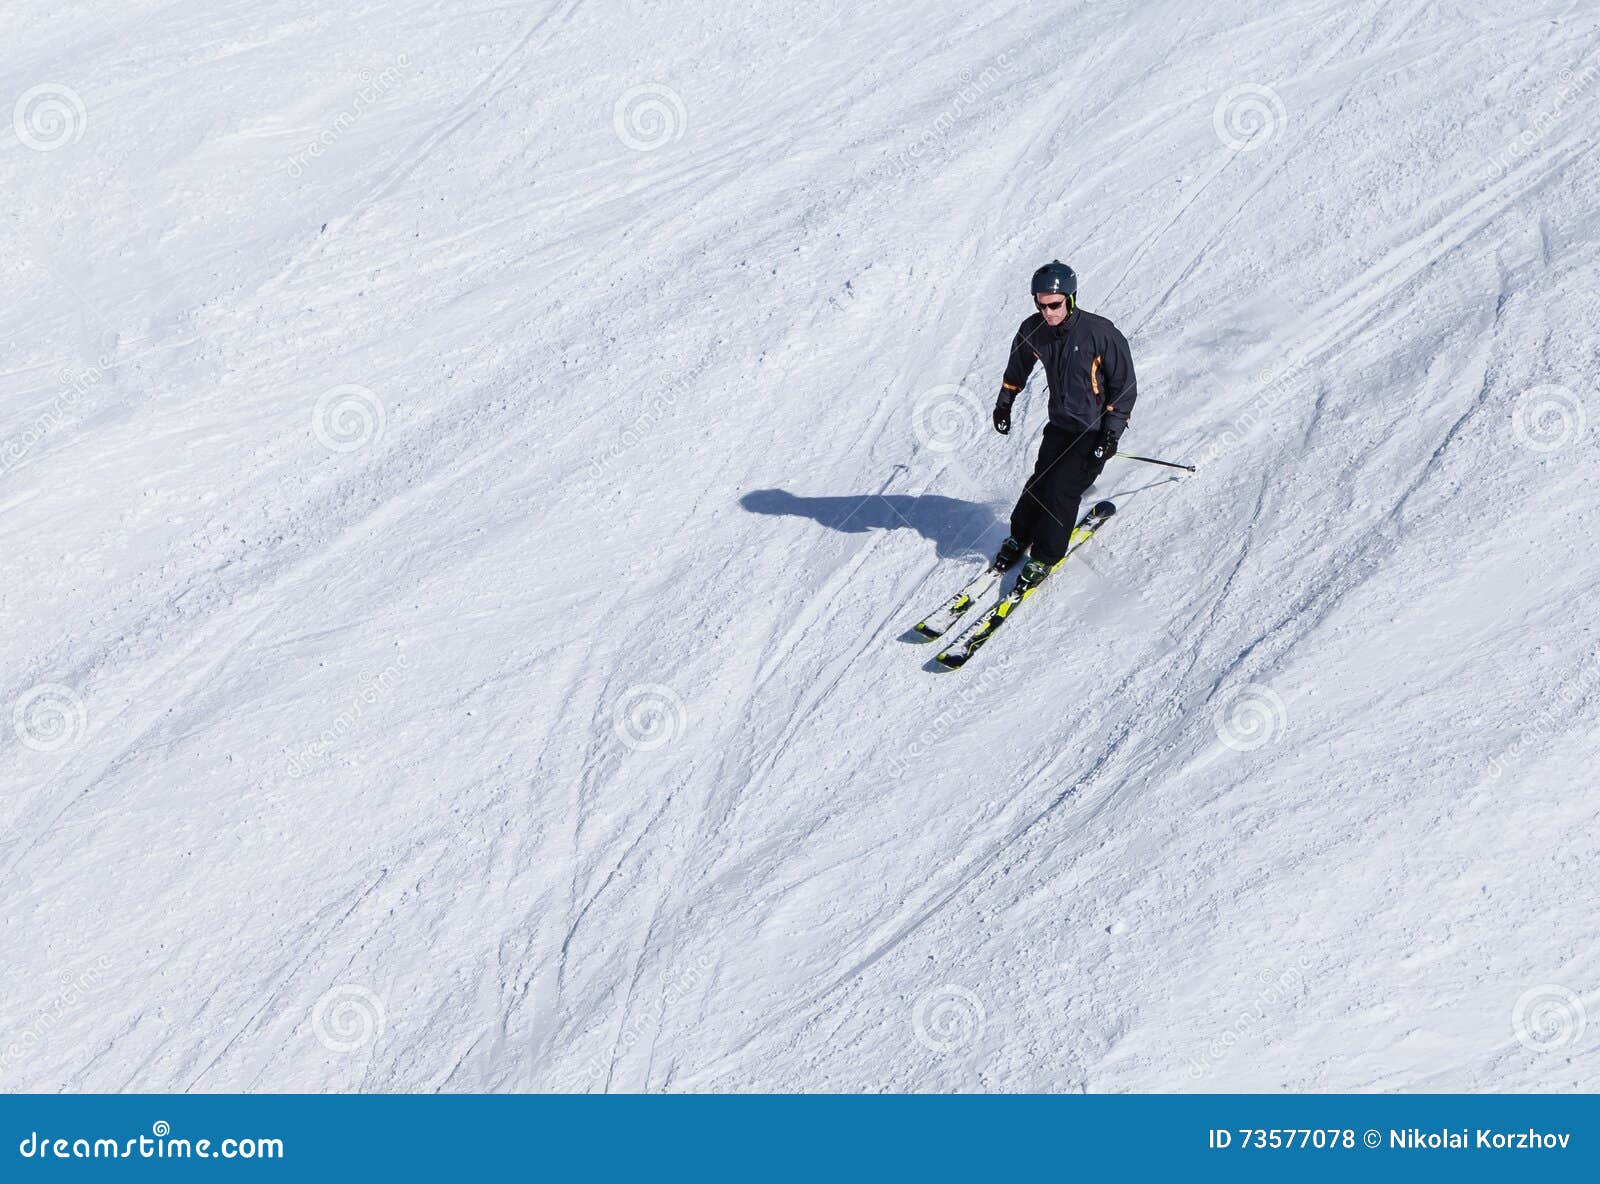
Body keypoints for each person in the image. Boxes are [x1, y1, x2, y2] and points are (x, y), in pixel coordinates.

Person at [989, 260, 1137, 588]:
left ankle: (1046, 555)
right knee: (1040, 482)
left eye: (1054, 305)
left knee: (1062, 489)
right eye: (1041, 305)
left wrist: (1110, 435)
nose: (1048, 312)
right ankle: (1020, 536)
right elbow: (1017, 367)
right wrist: (1004, 403)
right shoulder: (1034, 330)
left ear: (1070, 298)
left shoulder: (1100, 334)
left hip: (1094, 430)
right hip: (1060, 425)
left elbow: (1125, 386)